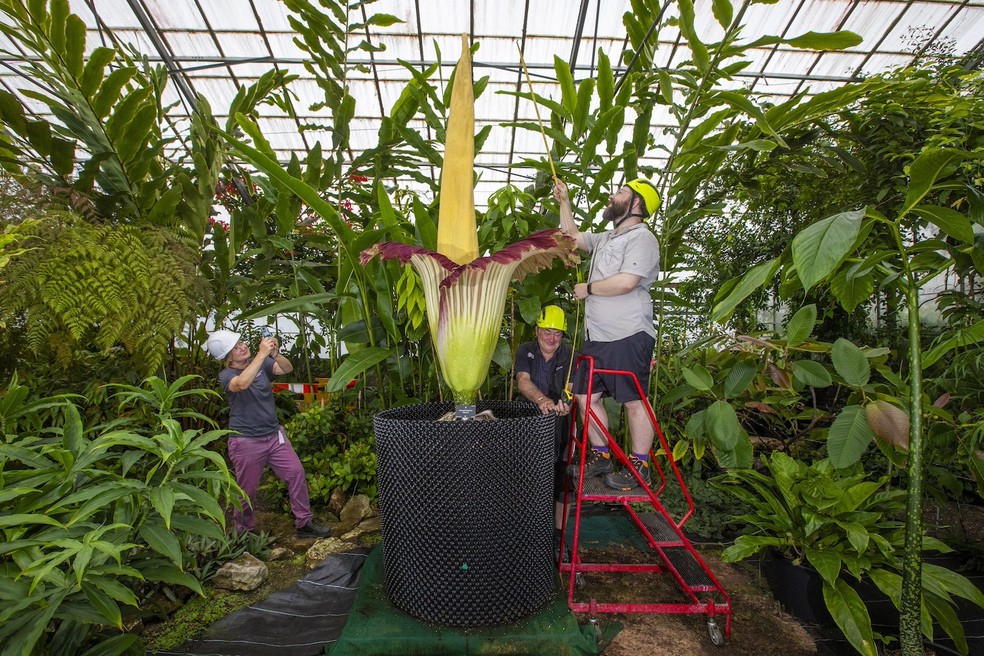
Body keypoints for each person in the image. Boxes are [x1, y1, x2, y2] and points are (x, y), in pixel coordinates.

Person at [553, 178, 661, 491]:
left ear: (637, 204)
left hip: (627, 333)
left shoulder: (642, 238)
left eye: (622, 192)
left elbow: (628, 281)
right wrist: (564, 201)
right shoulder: (607, 238)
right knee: (586, 397)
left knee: (633, 399)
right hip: (597, 337)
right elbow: (571, 238)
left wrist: (588, 289)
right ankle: (601, 456)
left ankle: (640, 464)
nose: (613, 196)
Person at [204, 329, 332, 538]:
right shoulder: (228, 375)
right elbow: (242, 384)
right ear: (228, 358)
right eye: (236, 347)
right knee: (246, 491)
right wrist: (261, 355)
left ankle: (304, 523)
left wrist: (274, 354)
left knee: (296, 473)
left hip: (274, 436)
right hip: (246, 441)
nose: (243, 346)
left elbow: (287, 368)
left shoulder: (262, 364)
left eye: (241, 342)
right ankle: (244, 532)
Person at [514, 305, 576, 559]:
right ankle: (527, 534)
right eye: (547, 332)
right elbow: (523, 380)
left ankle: (557, 539)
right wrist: (541, 400)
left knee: (563, 483)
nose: (552, 339)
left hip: (561, 427)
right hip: (528, 425)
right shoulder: (525, 350)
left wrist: (566, 402)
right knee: (526, 480)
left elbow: (572, 386)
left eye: (557, 334)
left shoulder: (570, 354)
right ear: (537, 330)